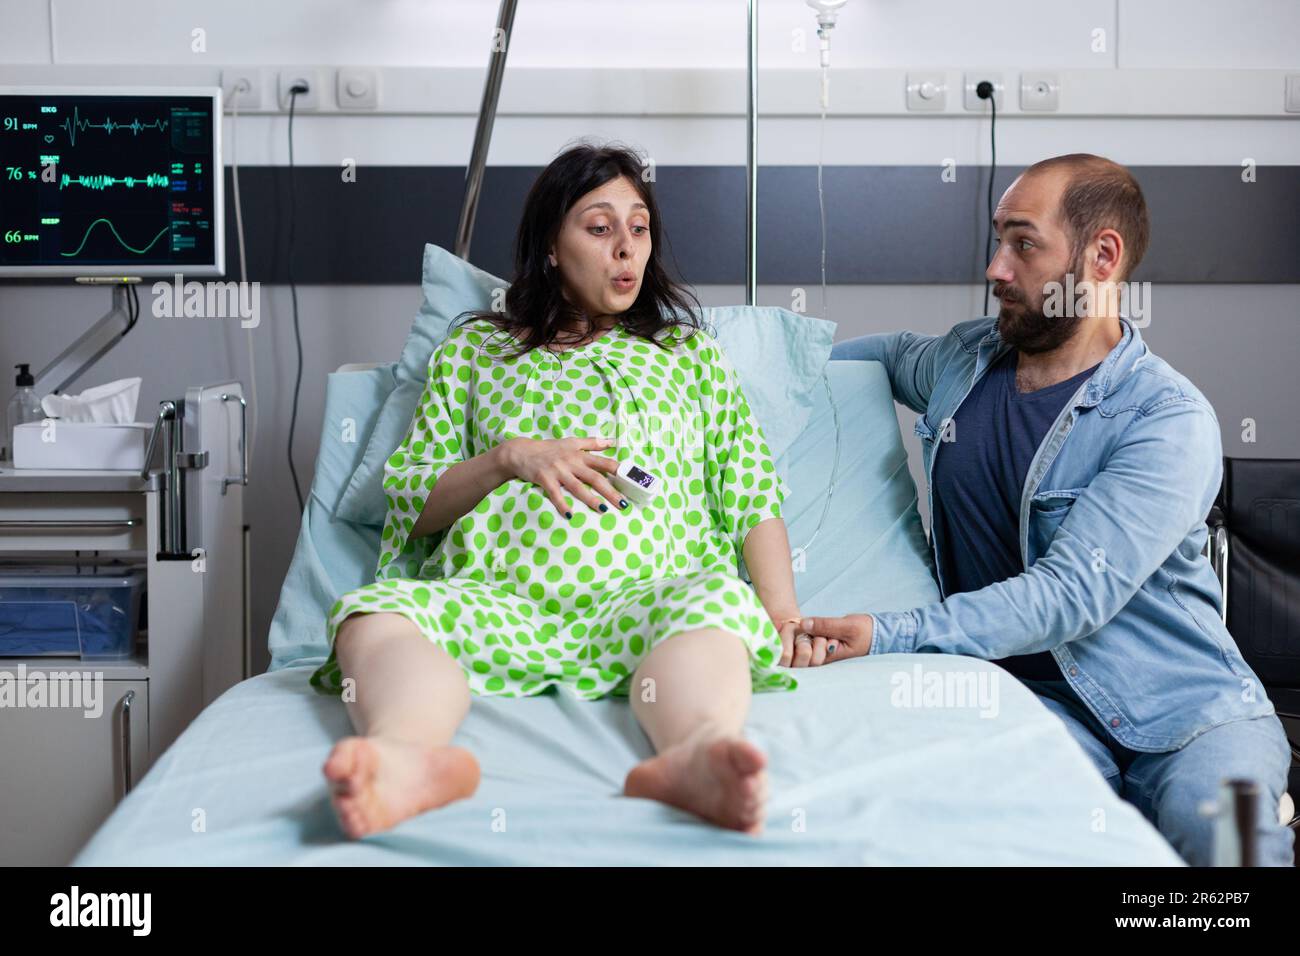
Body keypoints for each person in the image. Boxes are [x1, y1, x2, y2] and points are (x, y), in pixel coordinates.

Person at [802, 153, 1295, 866]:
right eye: (997, 239)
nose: (996, 268)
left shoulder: (1166, 418)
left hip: (1199, 714)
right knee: (1050, 845)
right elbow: (852, 362)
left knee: (1235, 856)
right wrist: (706, 368)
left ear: (1102, 256)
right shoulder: (962, 363)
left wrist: (887, 633)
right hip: (1033, 709)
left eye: (1023, 244)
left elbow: (1070, 596)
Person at [309, 142, 805, 838]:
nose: (625, 249)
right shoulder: (475, 354)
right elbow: (413, 510)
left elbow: (750, 492)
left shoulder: (687, 357)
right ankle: (404, 757)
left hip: (651, 595)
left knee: (717, 611)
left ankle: (698, 756)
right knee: (372, 617)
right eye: (600, 228)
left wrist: (781, 612)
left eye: (638, 228)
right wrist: (508, 459)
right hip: (495, 599)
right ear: (550, 245)